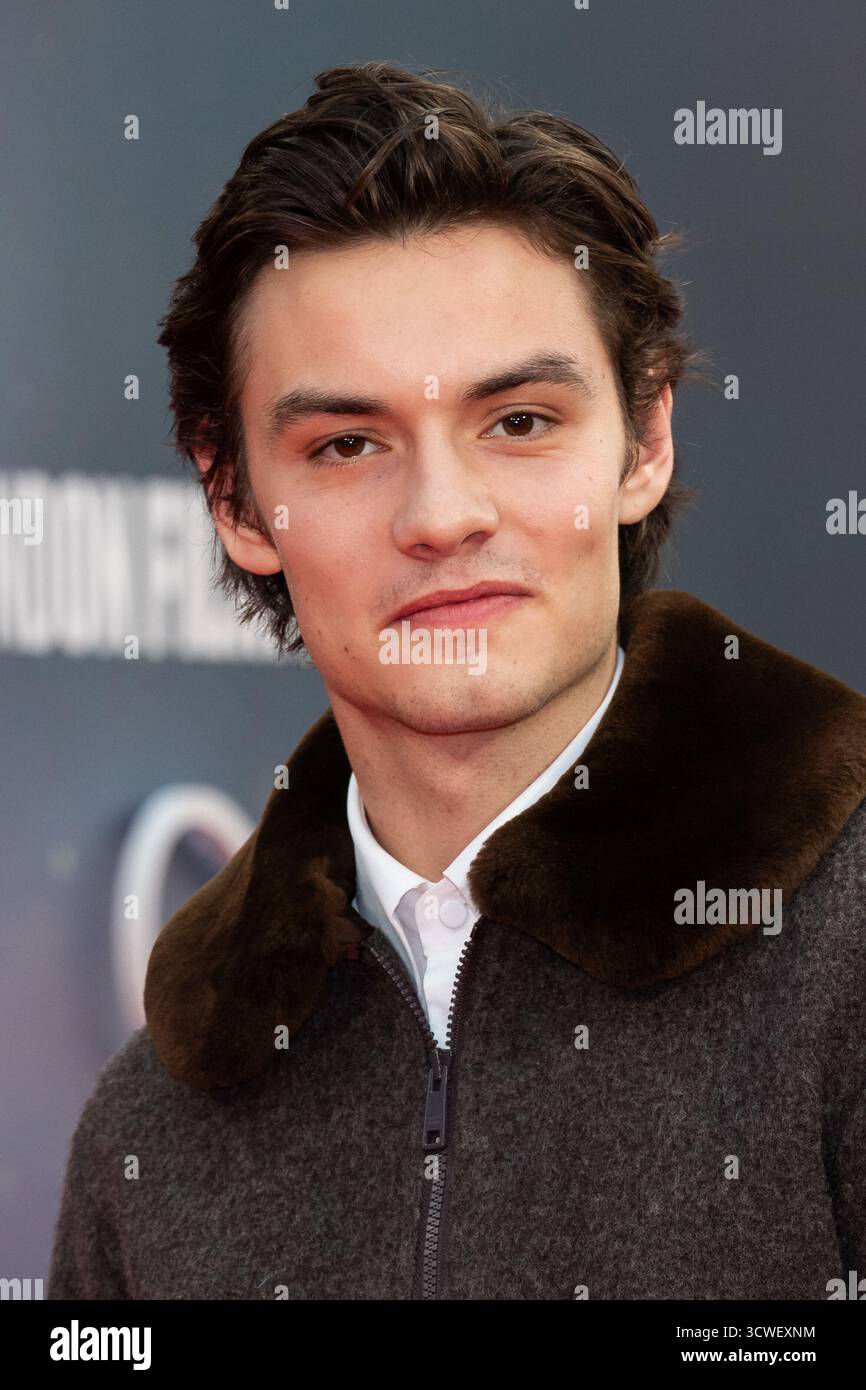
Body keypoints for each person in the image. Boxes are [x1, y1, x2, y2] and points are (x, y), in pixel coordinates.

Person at [48, 60, 866, 1301]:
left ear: (642, 439)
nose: (441, 515)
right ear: (236, 501)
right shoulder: (151, 1123)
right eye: (348, 445)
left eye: (519, 422)